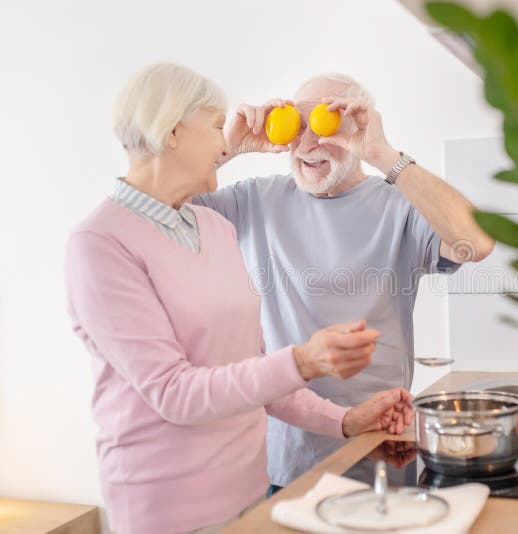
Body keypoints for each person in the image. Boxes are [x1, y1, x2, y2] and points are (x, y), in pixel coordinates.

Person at [65, 62, 413, 534]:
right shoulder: (101, 243)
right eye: (215, 128)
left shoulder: (214, 226)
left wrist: (347, 419)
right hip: (168, 510)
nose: (226, 143)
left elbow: (252, 368)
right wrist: (305, 361)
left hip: (252, 495)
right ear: (172, 132)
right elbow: (174, 394)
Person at [193, 73, 495, 492]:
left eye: (323, 125)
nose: (306, 144)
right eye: (296, 126)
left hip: (384, 450)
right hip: (284, 465)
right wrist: (226, 149)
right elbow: (149, 215)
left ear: (358, 128)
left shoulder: (399, 206)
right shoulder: (254, 201)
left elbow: (475, 241)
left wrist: (385, 155)